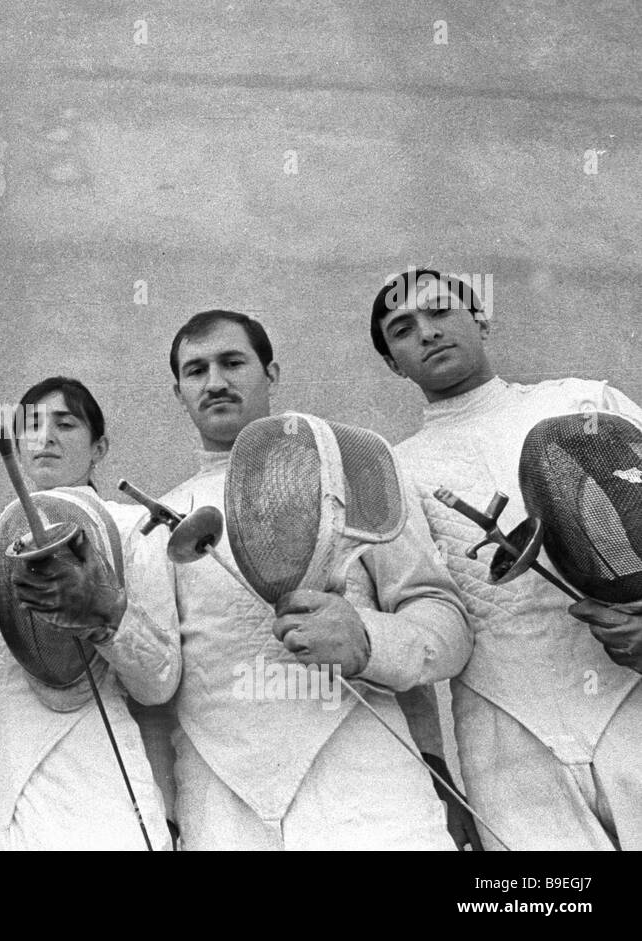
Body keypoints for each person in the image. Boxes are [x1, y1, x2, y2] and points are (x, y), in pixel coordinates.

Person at [152, 309, 472, 850]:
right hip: (223, 804)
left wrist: (367, 640)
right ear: (178, 392)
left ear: (271, 374)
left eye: (233, 363)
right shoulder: (158, 518)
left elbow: (444, 620)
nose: (215, 382)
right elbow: (153, 686)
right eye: (196, 370)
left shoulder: (352, 465)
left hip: (366, 779)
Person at [373, 268, 642, 849]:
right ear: (393, 364)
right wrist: (436, 774)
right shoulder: (395, 471)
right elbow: (414, 614)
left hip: (630, 695)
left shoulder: (583, 403)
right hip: (504, 737)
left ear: (481, 319)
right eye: (402, 329)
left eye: (442, 311)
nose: (427, 332)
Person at [0, 377, 179, 850]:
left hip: (90, 773)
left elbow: (160, 680)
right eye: (32, 425)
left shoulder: (133, 529)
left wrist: (105, 611)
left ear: (99, 447)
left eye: (65, 424)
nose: (46, 437)